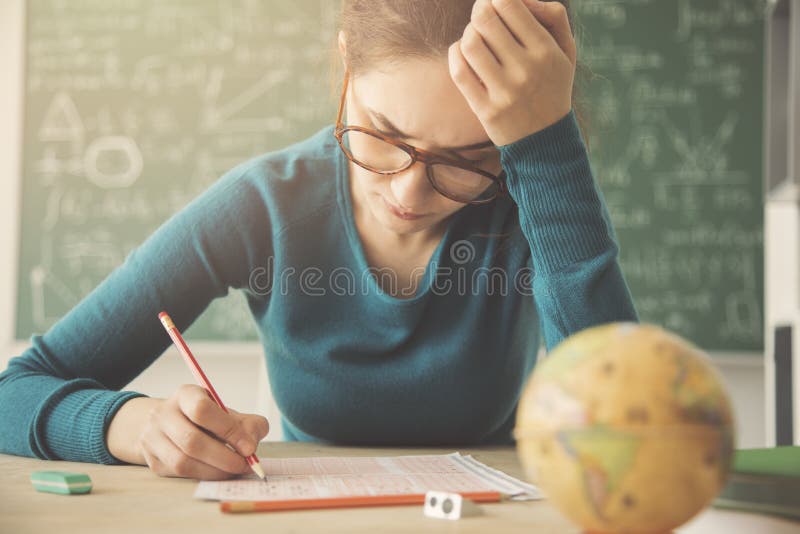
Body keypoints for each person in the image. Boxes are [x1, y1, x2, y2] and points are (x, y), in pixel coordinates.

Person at [0, 0, 637, 481]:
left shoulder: (532, 197)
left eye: (466, 162)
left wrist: (548, 148)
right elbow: (13, 393)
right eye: (383, 137)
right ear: (345, 75)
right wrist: (132, 426)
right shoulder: (265, 203)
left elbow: (630, 439)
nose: (409, 194)